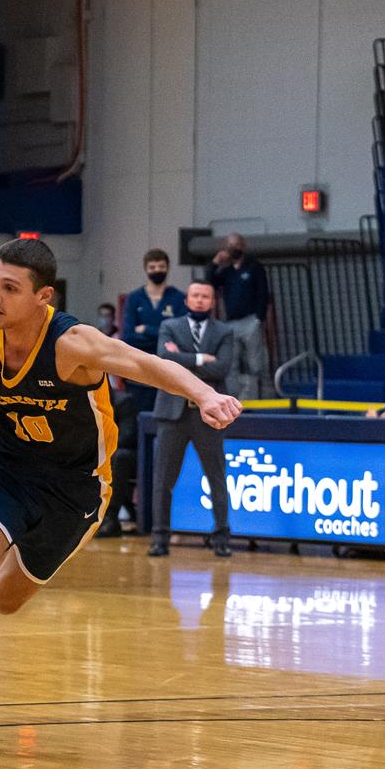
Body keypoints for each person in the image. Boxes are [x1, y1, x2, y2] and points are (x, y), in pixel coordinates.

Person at [0, 238, 241, 754]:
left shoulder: (72, 345)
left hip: (75, 487)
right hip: (6, 466)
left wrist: (205, 394)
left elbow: (145, 365)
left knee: (3, 599)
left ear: (43, 297)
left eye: (10, 287)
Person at [147, 280, 239, 558]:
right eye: (195, 295)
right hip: (172, 413)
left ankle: (221, 537)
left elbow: (222, 366)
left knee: (216, 476)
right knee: (163, 479)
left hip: (209, 415)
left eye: (205, 296)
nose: (200, 300)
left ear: (212, 301)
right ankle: (159, 538)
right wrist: (200, 359)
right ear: (186, 300)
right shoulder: (169, 326)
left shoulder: (225, 331)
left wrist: (182, 358)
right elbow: (164, 358)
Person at [106, 250, 185, 536]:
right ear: (145, 268)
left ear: (168, 267)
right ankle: (134, 512)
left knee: (164, 444)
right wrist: (159, 335)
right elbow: (129, 337)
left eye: (161, 266)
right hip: (139, 382)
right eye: (152, 266)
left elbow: (178, 336)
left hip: (168, 382)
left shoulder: (178, 298)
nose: (157, 270)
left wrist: (148, 329)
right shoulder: (135, 299)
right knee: (134, 442)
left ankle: (162, 513)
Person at [207, 234, 274, 399]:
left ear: (243, 246)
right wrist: (215, 262)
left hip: (251, 320)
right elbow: (210, 281)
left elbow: (263, 293)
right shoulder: (227, 271)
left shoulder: (254, 267)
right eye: (229, 245)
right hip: (231, 322)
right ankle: (236, 398)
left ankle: (265, 397)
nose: (232, 248)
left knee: (256, 363)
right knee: (232, 362)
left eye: (236, 245)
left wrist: (259, 317)